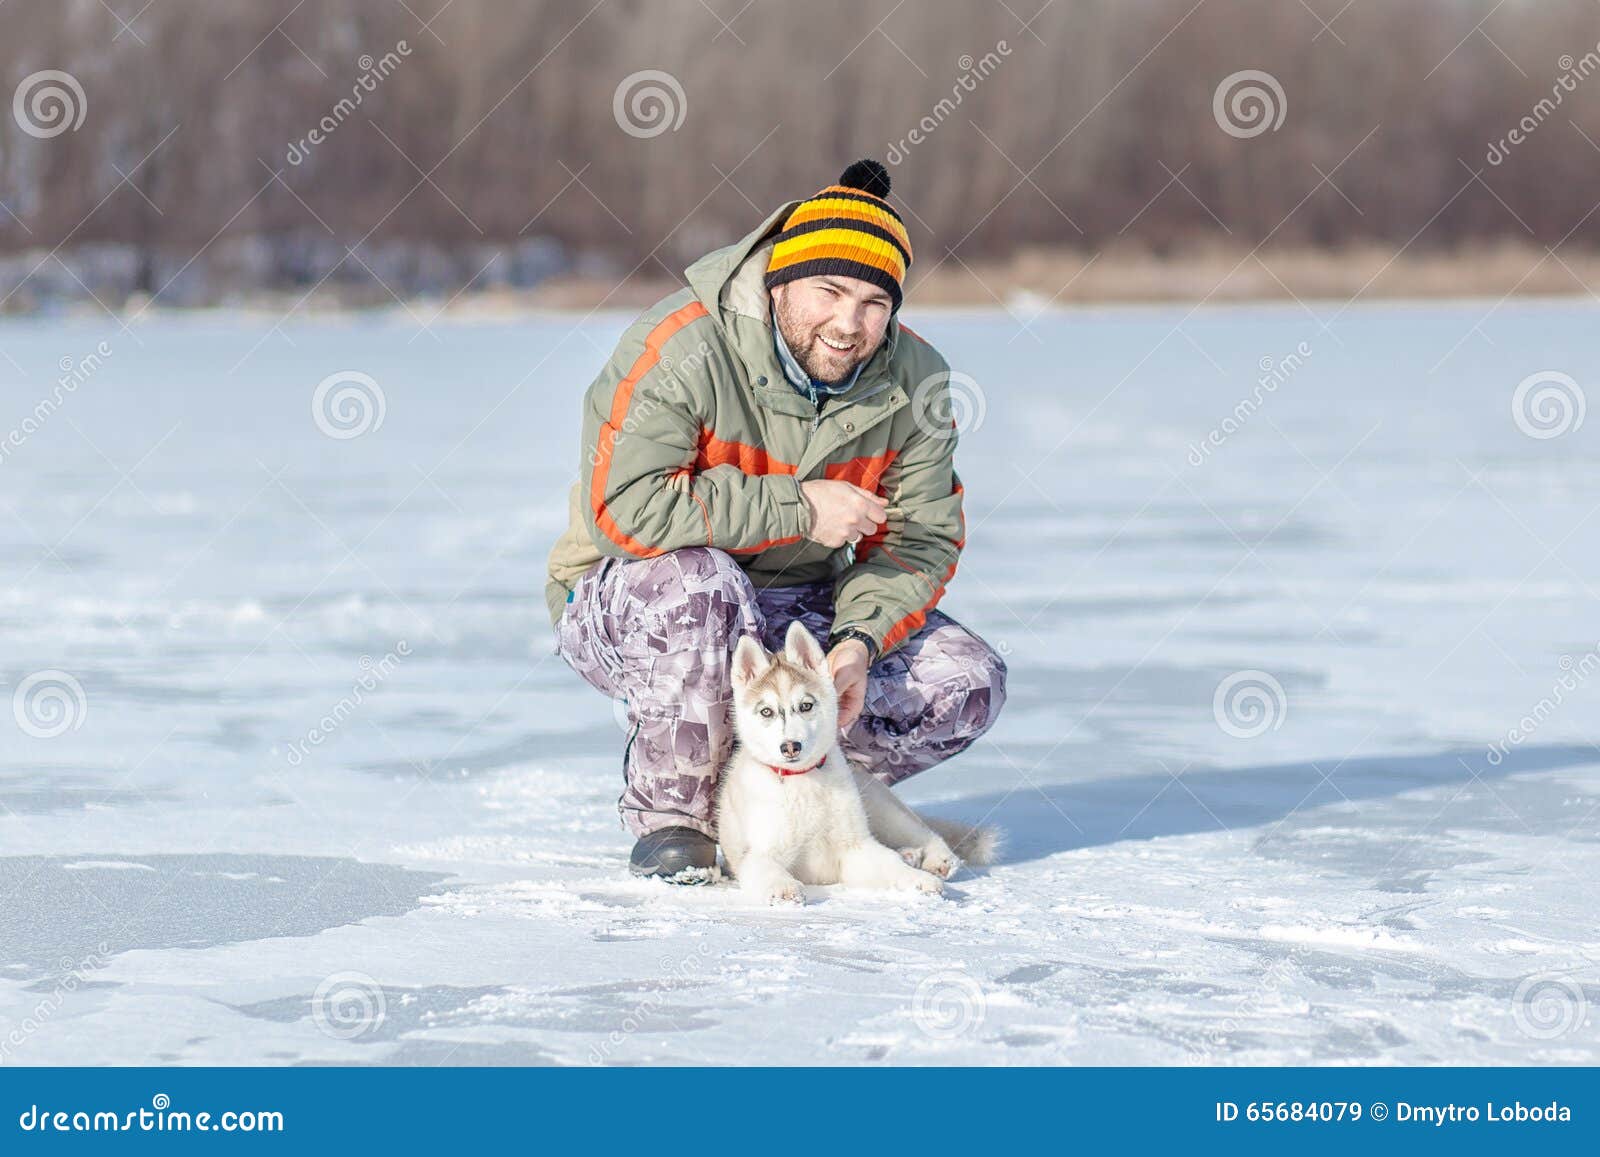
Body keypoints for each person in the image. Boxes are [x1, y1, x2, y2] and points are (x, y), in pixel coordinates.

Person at [544, 159, 1007, 881]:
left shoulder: (915, 379)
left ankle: (799, 797)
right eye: (830, 291)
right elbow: (624, 508)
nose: (849, 324)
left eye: (873, 302)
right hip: (637, 596)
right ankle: (679, 821)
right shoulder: (681, 347)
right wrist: (798, 505)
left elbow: (919, 542)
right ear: (781, 281)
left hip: (791, 604)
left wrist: (855, 642)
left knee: (963, 680)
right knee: (705, 587)